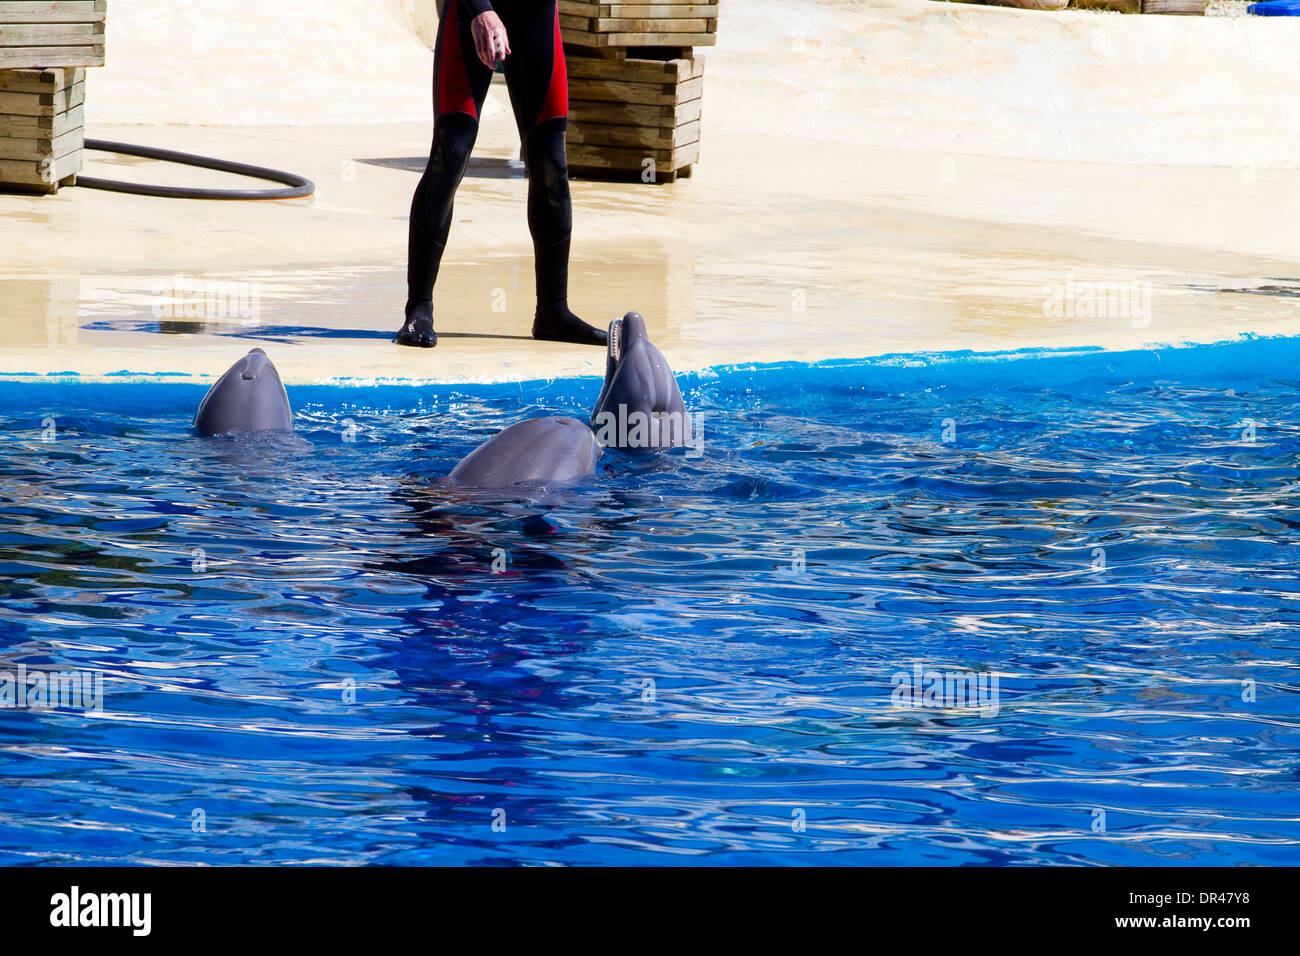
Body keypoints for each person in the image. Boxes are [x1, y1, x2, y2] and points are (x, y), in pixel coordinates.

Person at [395, 0, 607, 349]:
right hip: (470, 14)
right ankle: (419, 309)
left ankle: (553, 312)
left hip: (535, 16)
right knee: (451, 154)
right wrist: (479, 9)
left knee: (551, 162)